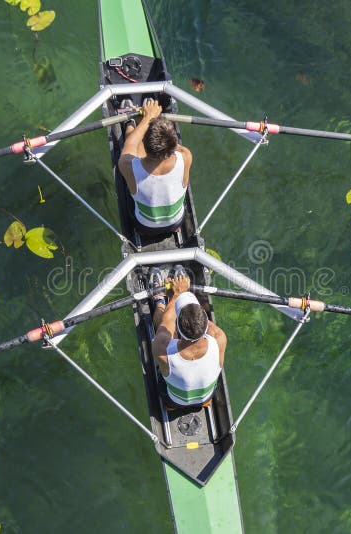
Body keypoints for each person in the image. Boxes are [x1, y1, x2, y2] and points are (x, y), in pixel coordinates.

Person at [150, 268, 227, 407]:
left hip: (173, 401)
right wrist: (184, 293)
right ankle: (206, 403)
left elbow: (167, 322)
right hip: (205, 398)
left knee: (165, 328)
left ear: (178, 325)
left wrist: (174, 296)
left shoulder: (160, 348)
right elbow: (199, 320)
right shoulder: (219, 337)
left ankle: (160, 301)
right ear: (205, 322)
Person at [118, 99, 193, 235]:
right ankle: (144, 122)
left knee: (136, 148)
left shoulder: (126, 165)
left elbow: (130, 145)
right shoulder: (186, 156)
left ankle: (130, 123)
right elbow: (171, 144)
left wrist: (148, 118)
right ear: (173, 141)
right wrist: (158, 122)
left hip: (144, 227)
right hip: (176, 223)